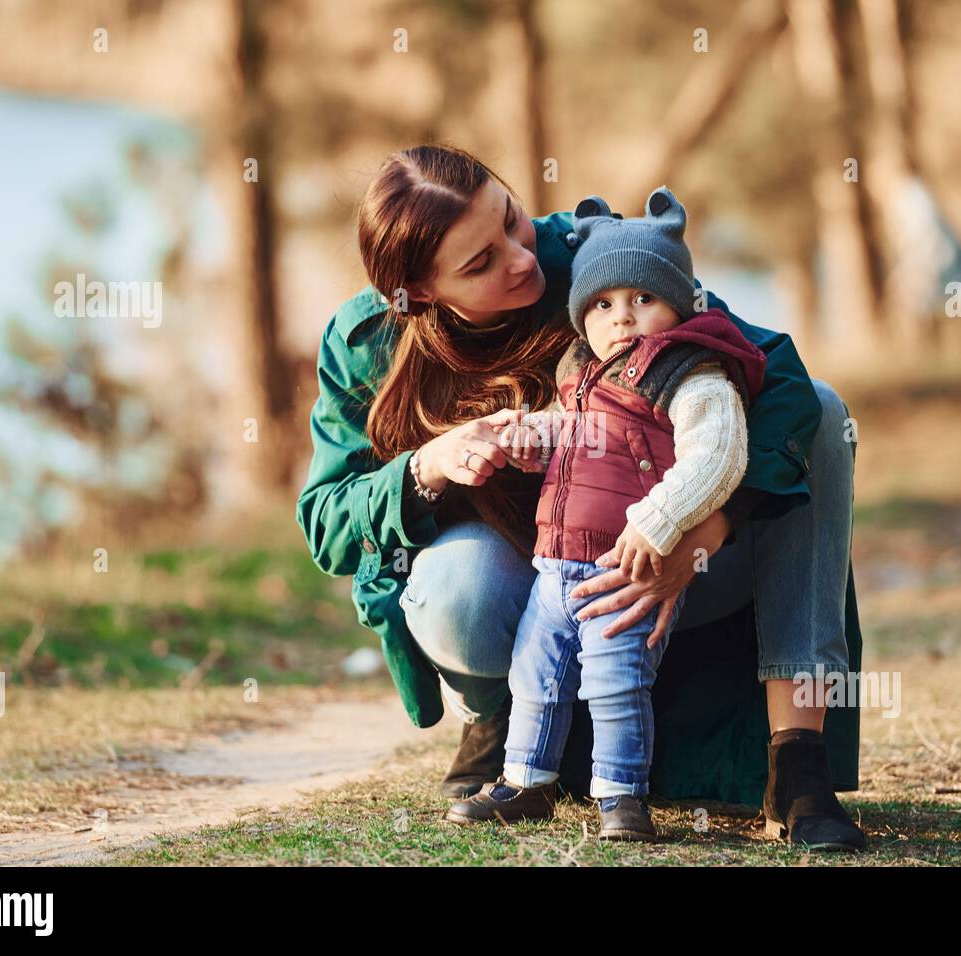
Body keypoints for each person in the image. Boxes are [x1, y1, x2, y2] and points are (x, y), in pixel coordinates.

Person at [296, 143, 867, 851]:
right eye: (480, 263)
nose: (520, 259)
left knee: (820, 409)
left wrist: (698, 536)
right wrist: (427, 466)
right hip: (538, 597)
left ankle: (797, 761)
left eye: (511, 218)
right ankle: (498, 720)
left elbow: (773, 375)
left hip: (666, 576)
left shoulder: (598, 257)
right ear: (421, 294)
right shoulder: (365, 344)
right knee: (458, 584)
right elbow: (327, 522)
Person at [443, 186, 768, 841]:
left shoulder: (687, 373)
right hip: (554, 568)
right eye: (602, 303)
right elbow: (574, 440)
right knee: (535, 674)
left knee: (616, 682)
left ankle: (621, 794)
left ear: (675, 303)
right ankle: (525, 780)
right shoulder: (582, 376)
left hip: (626, 564)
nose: (622, 316)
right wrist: (527, 439)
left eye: (642, 299)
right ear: (583, 316)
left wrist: (660, 520)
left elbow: (719, 454)